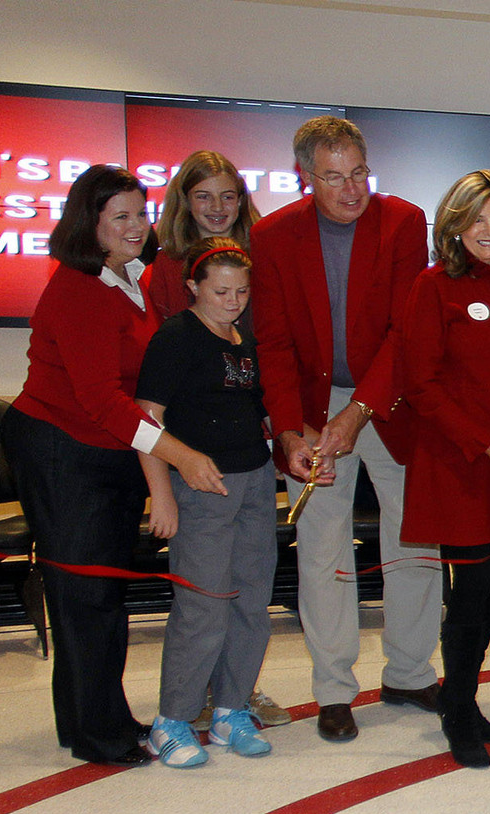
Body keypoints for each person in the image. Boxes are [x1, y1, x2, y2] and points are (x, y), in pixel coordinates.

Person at [4, 165, 214, 767]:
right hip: (61, 448)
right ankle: (99, 734)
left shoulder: (129, 278)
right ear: (88, 224)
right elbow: (101, 399)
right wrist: (177, 454)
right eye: (120, 216)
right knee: (87, 595)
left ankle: (90, 718)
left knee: (94, 593)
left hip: (104, 450)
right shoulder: (78, 288)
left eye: (140, 213)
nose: (136, 225)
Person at [252, 116, 440, 743]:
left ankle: (410, 673)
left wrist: (358, 412)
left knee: (415, 539)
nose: (352, 190)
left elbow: (403, 332)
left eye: (359, 173)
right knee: (322, 548)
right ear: (306, 177)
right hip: (310, 409)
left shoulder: (404, 221)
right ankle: (334, 689)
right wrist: (290, 432)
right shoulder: (272, 236)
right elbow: (273, 344)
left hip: (391, 399)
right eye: (334, 178)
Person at [397, 170, 490, 769]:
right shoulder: (432, 285)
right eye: (477, 219)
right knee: (472, 592)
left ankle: (463, 696)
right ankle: (456, 708)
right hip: (459, 465)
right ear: (455, 226)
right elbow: (421, 385)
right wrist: (487, 444)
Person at [143, 150, 290, 733]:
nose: (232, 301)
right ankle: (177, 716)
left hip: (253, 477)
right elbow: (147, 420)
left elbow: (260, 401)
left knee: (251, 601)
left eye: (241, 292)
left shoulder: (243, 336)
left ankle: (232, 705)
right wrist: (163, 490)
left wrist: (291, 445)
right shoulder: (176, 333)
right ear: (193, 287)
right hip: (200, 482)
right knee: (202, 604)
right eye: (221, 291)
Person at [143, 151, 263, 325]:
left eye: (227, 197)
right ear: (185, 201)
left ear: (240, 201)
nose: (217, 207)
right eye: (203, 197)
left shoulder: (264, 257)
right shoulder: (166, 264)